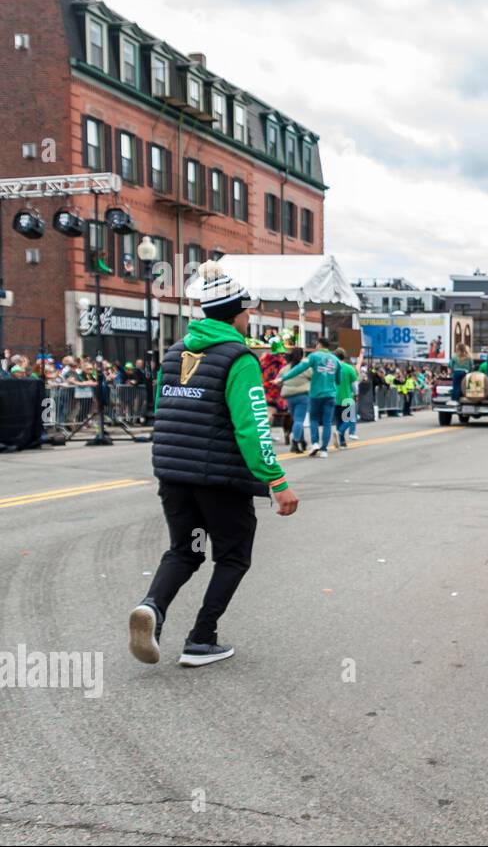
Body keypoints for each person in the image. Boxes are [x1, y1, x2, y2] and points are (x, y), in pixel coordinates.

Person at [129, 260, 299, 668]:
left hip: (172, 471)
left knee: (184, 550)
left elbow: (161, 411)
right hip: (219, 477)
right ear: (237, 313)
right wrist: (276, 480)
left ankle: (153, 607)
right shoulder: (238, 358)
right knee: (234, 556)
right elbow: (253, 425)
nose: (250, 314)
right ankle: (201, 638)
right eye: (247, 309)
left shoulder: (174, 352)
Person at [279, 336, 341, 457]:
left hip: (316, 394)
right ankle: (324, 450)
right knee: (327, 422)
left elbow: (299, 369)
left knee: (314, 420)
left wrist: (283, 378)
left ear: (318, 345)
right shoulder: (336, 360)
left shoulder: (314, 356)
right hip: (330, 395)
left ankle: (315, 443)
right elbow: (339, 380)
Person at [278, 347, 311, 452]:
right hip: (302, 396)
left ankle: (302, 441)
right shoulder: (305, 367)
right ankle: (295, 443)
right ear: (302, 356)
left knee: (296, 420)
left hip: (289, 397)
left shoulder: (285, 369)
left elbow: (279, 380)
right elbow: (313, 377)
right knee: (299, 420)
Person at [334, 350, 359, 448]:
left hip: (335, 398)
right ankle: (339, 433)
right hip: (347, 398)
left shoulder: (334, 368)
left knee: (339, 420)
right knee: (349, 419)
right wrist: (356, 394)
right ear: (344, 356)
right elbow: (354, 385)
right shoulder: (349, 368)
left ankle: (342, 442)